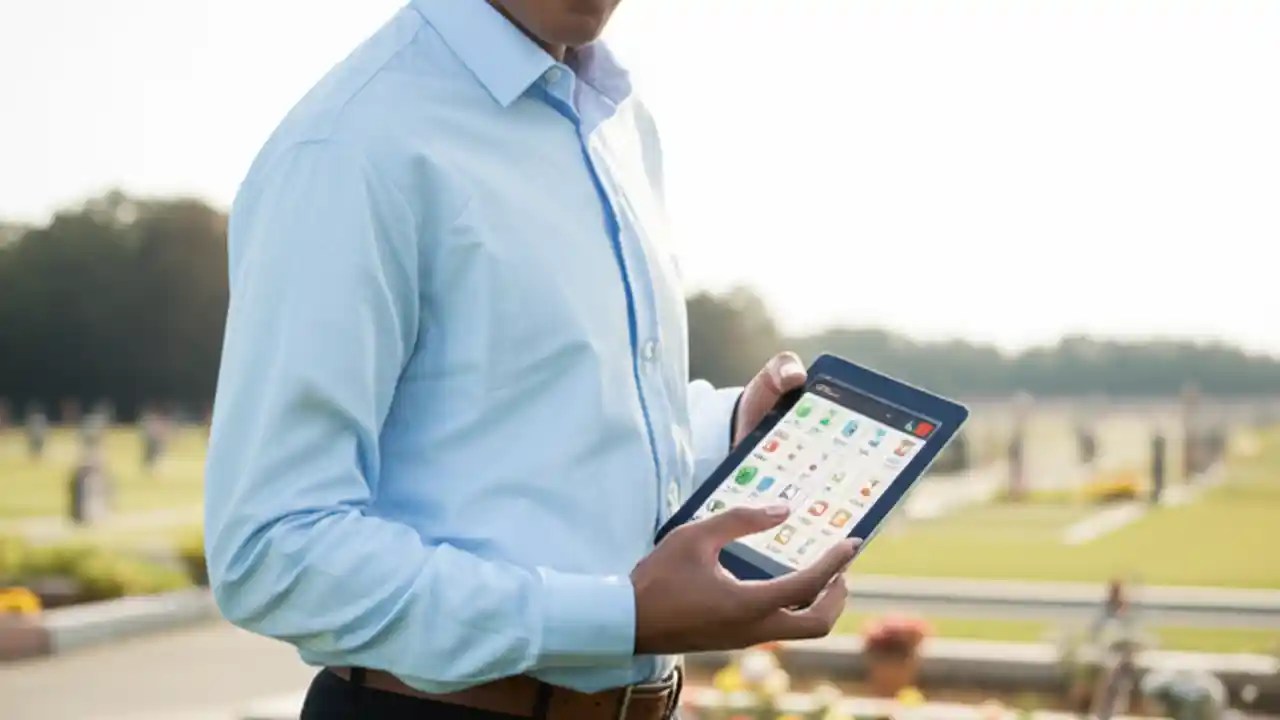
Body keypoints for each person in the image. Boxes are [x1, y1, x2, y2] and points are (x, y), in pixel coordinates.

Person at [203, 2, 858, 719]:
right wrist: (621, 616)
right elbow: (272, 550)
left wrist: (726, 431)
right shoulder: (352, 143)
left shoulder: (618, 124)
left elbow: (552, 414)